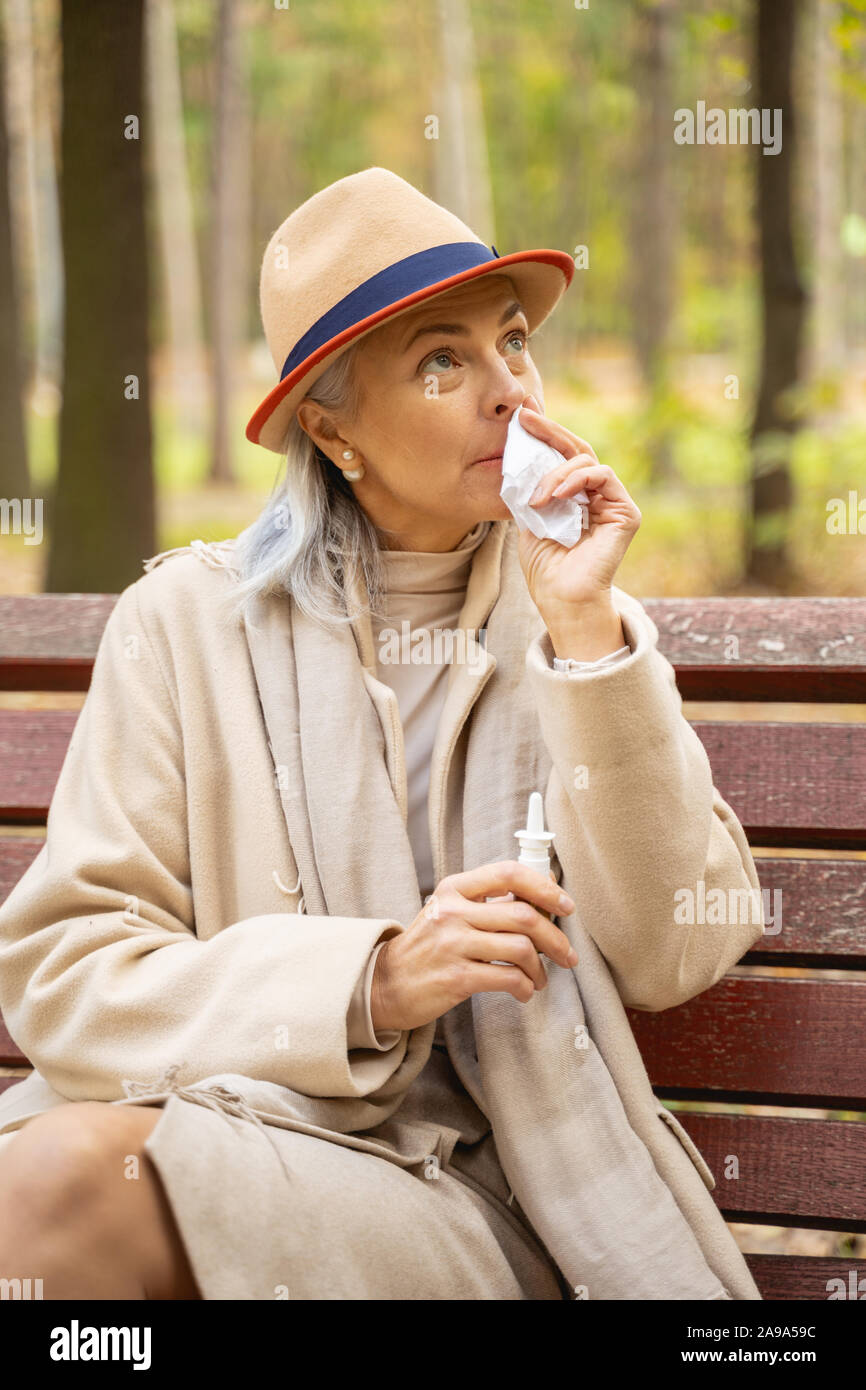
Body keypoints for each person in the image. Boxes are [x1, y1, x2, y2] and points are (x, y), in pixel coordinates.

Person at [0, 168, 764, 1300]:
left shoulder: (573, 628)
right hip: (228, 1131)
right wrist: (372, 981)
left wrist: (584, 637)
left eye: (511, 342)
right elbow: (73, 975)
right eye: (440, 361)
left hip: (478, 1198)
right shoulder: (184, 627)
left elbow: (670, 953)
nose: (505, 388)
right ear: (330, 429)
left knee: (58, 1187)